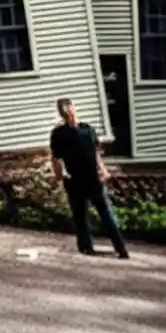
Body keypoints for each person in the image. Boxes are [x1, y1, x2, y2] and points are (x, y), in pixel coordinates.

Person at [49, 98, 129, 259]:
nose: (68, 112)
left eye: (70, 108)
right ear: (61, 113)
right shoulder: (59, 134)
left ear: (74, 108)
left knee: (106, 213)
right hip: (74, 180)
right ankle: (86, 247)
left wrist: (103, 170)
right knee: (80, 216)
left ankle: (121, 248)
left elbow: (96, 153)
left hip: (93, 179)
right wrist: (58, 177)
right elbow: (56, 158)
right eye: (64, 110)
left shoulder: (87, 130)